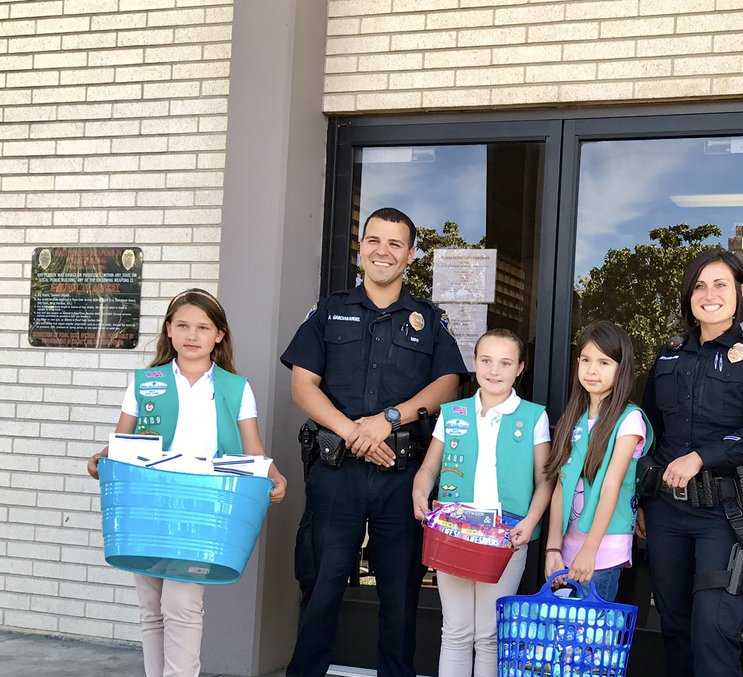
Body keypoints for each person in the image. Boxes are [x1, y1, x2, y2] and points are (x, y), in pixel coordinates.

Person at [280, 207, 468, 677]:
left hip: (402, 476)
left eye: (395, 243)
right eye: (375, 240)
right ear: (361, 247)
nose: (383, 251)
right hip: (336, 472)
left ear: (410, 256)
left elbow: (449, 384)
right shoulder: (328, 311)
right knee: (321, 585)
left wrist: (388, 420)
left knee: (399, 594)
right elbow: (303, 386)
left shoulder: (427, 318)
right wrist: (354, 433)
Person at [87, 288, 287, 677]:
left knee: (181, 604)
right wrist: (101, 457)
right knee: (151, 609)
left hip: (202, 510)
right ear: (169, 331)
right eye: (182, 325)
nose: (192, 335)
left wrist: (273, 474)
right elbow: (120, 441)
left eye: (202, 327)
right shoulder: (146, 382)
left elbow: (254, 451)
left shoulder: (234, 388)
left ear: (219, 335)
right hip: (147, 505)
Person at [640, 250, 743, 677]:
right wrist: (641, 498)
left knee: (714, 630)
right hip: (666, 511)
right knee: (673, 626)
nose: (710, 295)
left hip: (725, 516)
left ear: (740, 292)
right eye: (700, 285)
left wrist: (703, 456)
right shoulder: (668, 356)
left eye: (720, 284)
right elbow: (647, 429)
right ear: (689, 295)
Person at [411, 328, 553, 677]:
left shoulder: (534, 416)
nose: (494, 370)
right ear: (474, 363)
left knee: (491, 635)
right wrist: (419, 492)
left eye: (505, 363)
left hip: (506, 537)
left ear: (520, 368)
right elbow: (429, 468)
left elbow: (546, 479)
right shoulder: (454, 413)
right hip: (454, 534)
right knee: (456, 632)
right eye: (486, 360)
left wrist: (531, 521)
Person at [543, 321, 654, 603]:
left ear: (622, 369)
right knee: (566, 638)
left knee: (591, 640)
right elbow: (560, 487)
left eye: (604, 362)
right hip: (567, 548)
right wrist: (552, 549)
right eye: (586, 360)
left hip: (601, 551)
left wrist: (590, 550)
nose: (592, 370)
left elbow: (611, 487)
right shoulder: (575, 418)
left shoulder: (629, 419)